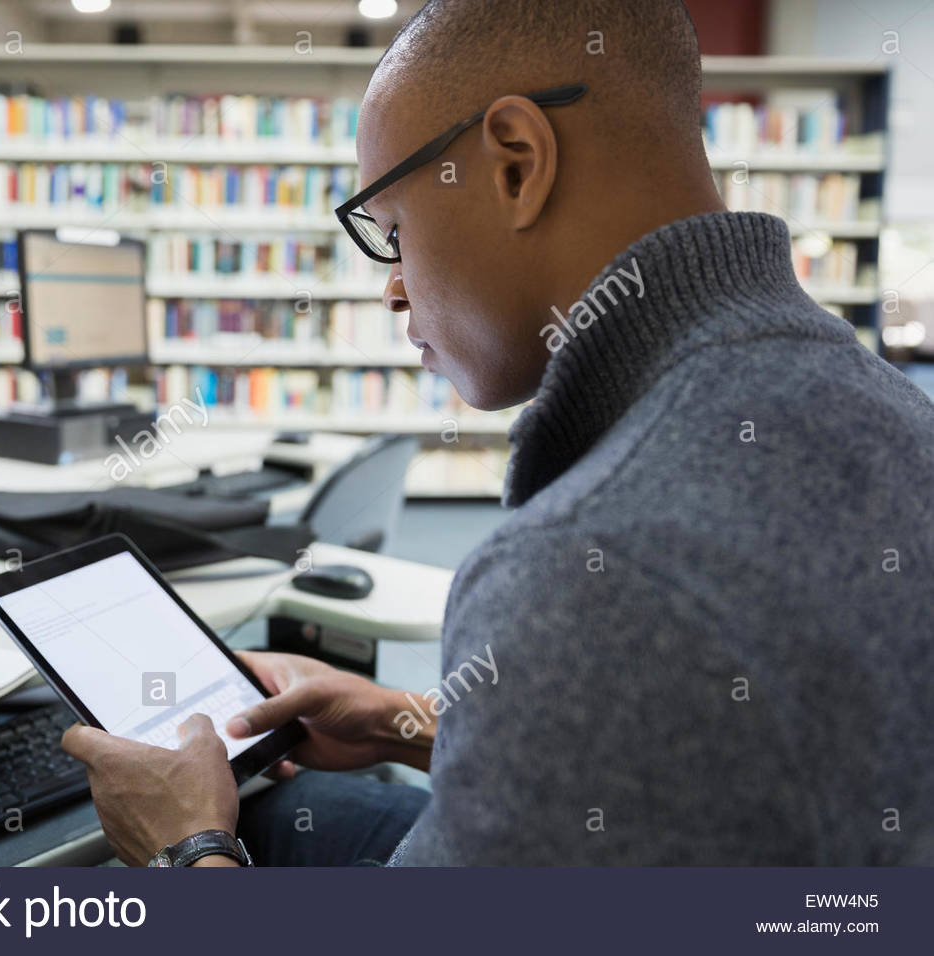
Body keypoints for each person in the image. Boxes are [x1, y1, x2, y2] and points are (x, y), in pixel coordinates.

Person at [62, 0, 934, 866]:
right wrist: (416, 721)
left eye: (394, 232)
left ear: (517, 164)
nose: (392, 289)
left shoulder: (591, 565)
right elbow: (698, 753)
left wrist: (188, 847)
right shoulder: (889, 411)